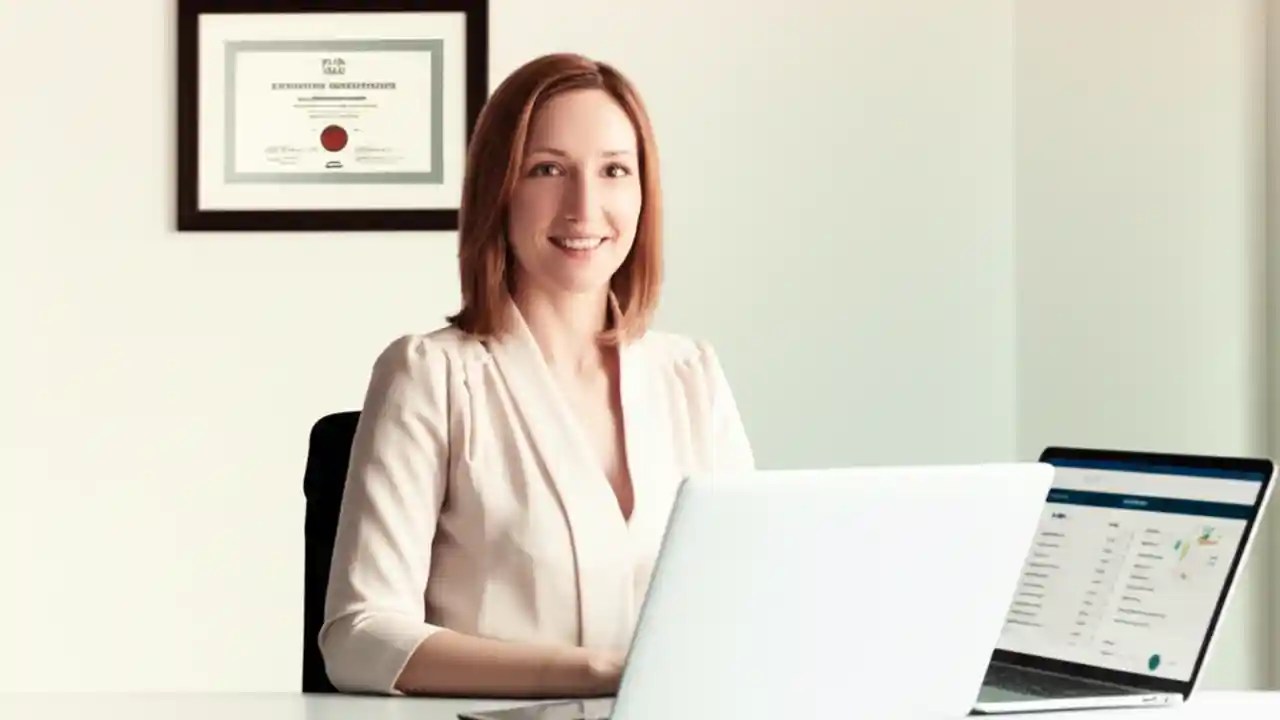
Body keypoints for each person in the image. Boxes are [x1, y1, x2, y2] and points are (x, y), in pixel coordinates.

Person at [318, 52, 756, 698]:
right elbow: (360, 639)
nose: (585, 207)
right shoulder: (431, 374)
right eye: (547, 169)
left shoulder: (690, 374)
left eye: (613, 171)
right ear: (501, 187)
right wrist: (593, 672)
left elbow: (753, 594)